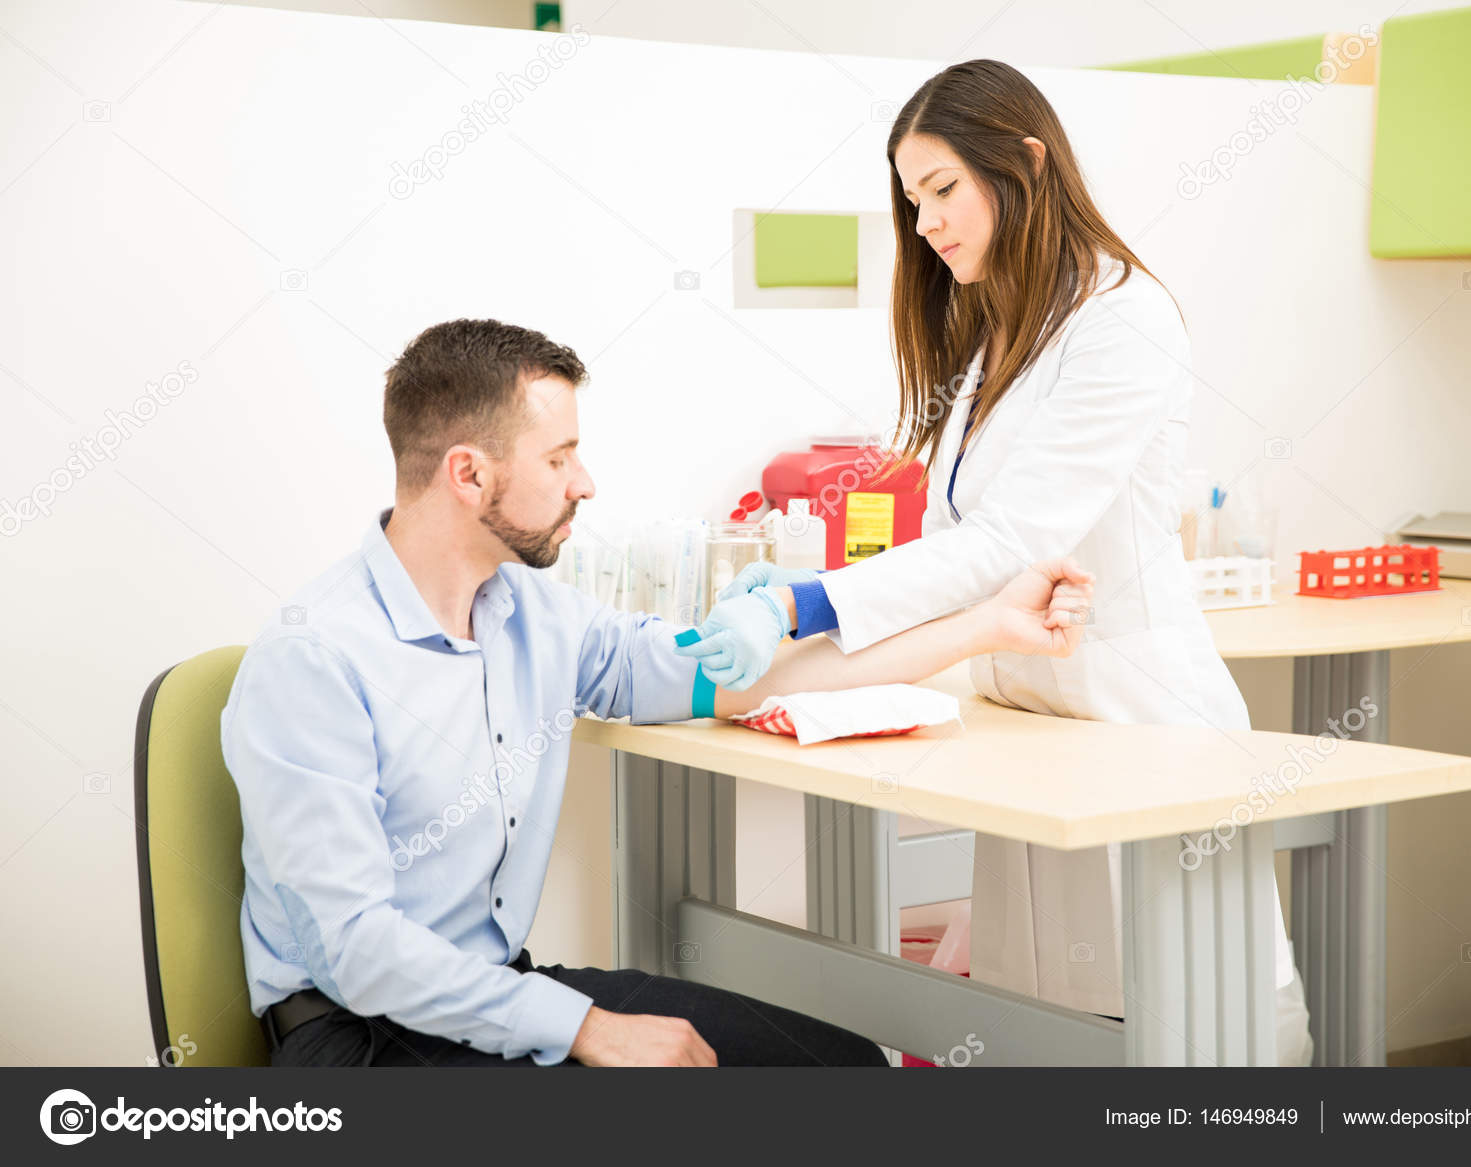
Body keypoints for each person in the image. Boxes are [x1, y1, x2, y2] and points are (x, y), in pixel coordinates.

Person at [221, 317, 1095, 1068]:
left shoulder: (532, 614)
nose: (584, 482)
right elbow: (360, 951)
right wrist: (590, 1030)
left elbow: (737, 681)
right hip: (360, 1039)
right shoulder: (315, 660)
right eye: (558, 457)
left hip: (492, 999)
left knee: (840, 1066)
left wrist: (987, 625)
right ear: (467, 474)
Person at [678, 60, 1314, 1064]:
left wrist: (806, 603)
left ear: (1022, 162)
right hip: (1032, 721)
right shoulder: (999, 333)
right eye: (910, 198)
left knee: (1190, 1032)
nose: (924, 222)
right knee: (1044, 1026)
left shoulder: (1123, 318)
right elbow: (958, 539)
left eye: (940, 189)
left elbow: (1018, 541)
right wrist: (814, 601)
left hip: (1138, 713)